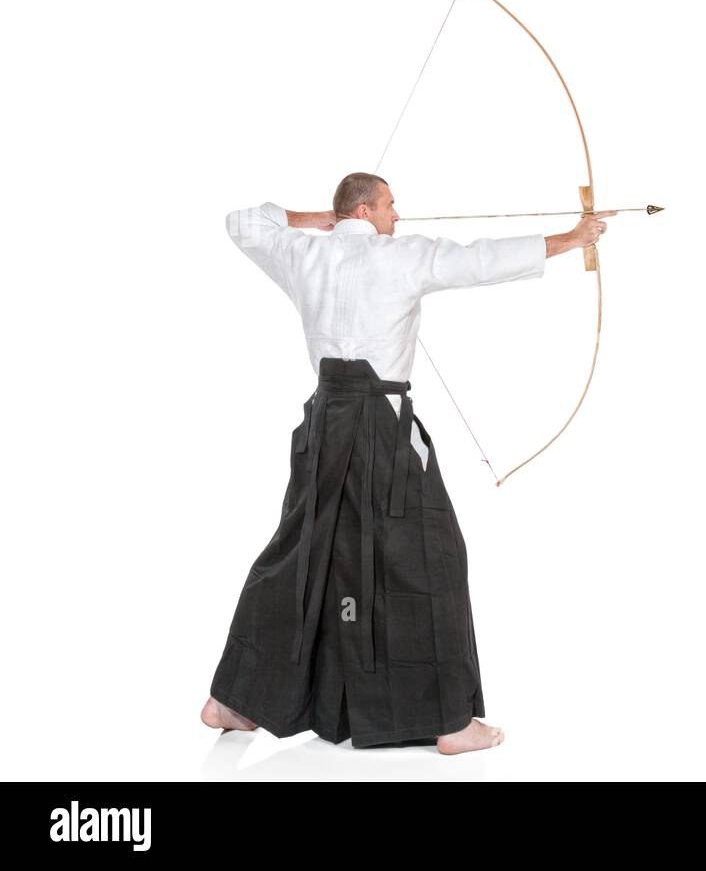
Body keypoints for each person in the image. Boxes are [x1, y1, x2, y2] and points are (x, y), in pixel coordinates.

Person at [200, 172, 612, 754]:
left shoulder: (302, 252)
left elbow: (243, 222)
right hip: (377, 430)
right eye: (389, 204)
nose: (399, 213)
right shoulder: (402, 258)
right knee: (430, 557)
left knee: (299, 557)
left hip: (323, 425)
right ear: (366, 210)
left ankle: (231, 701)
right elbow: (481, 261)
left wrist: (322, 221)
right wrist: (571, 239)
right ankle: (450, 721)